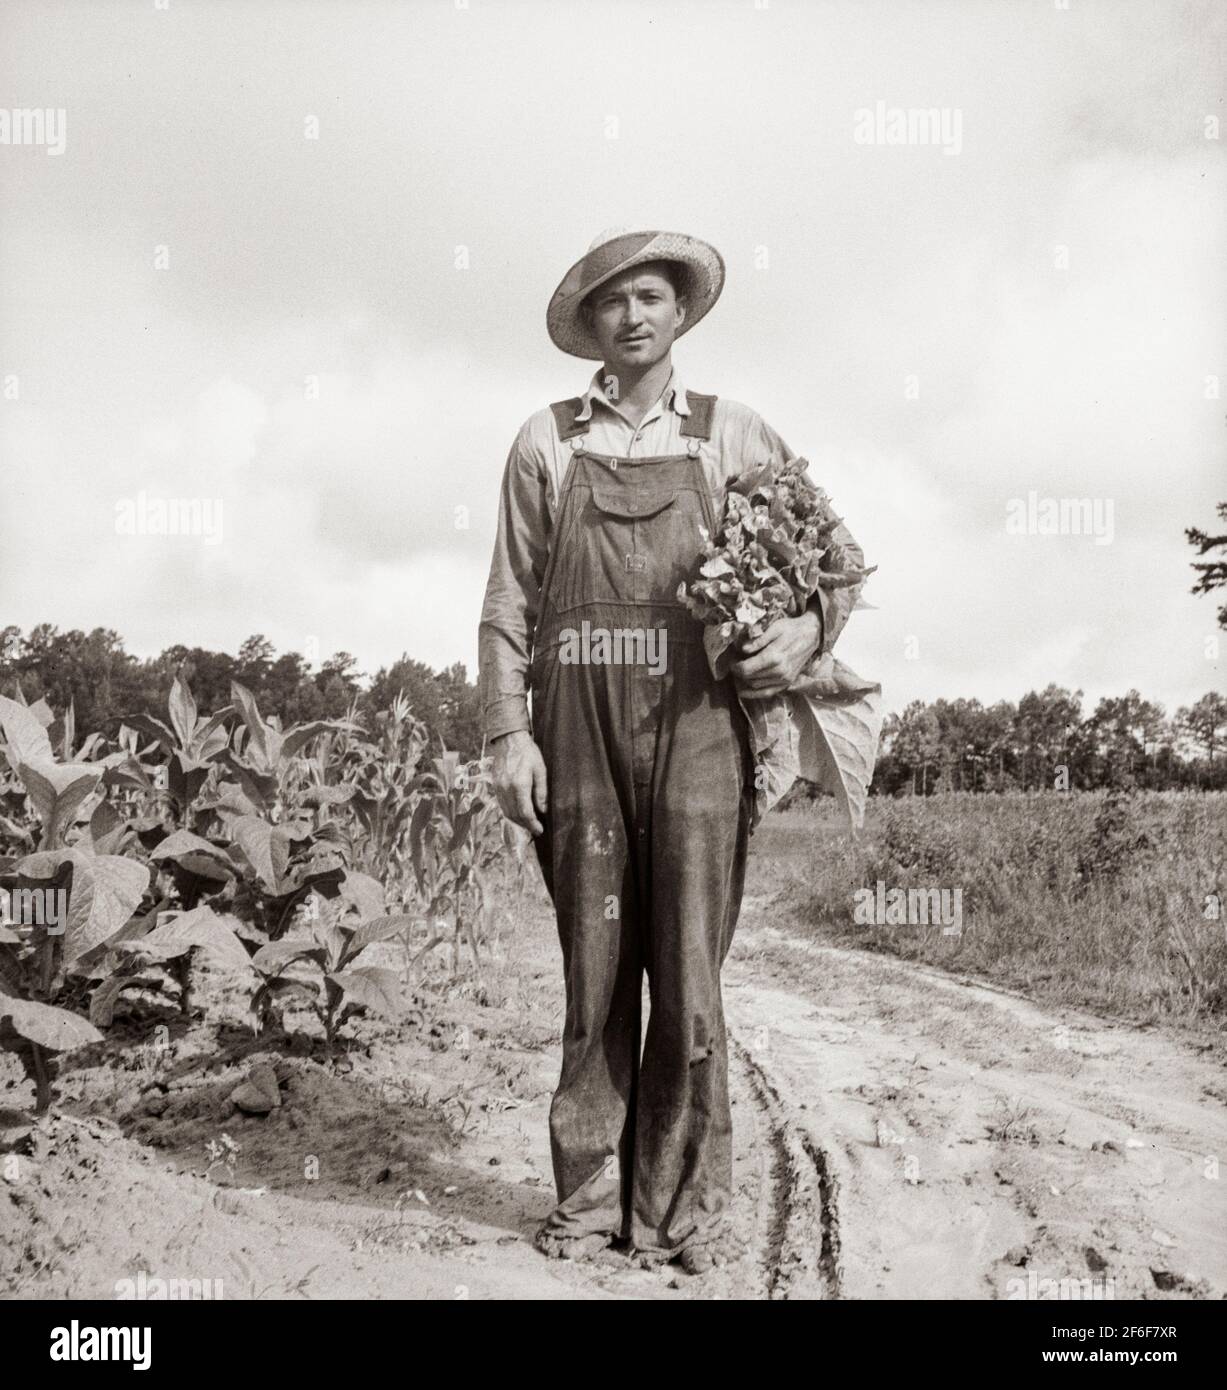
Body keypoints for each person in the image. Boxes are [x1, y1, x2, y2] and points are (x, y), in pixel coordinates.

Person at [478, 228, 865, 1274]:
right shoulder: (546, 441)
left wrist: (806, 632)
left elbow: (833, 563)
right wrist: (508, 732)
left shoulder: (733, 436)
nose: (635, 315)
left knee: (688, 976)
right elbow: (510, 602)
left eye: (652, 296)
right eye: (614, 303)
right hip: (579, 731)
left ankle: (681, 1211)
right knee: (596, 972)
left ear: (680, 312)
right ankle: (590, 1197)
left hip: (701, 729)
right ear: (591, 327)